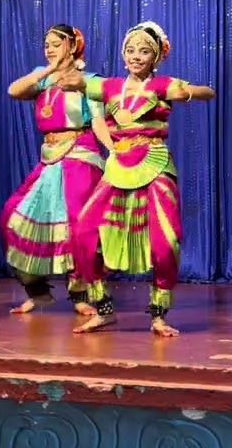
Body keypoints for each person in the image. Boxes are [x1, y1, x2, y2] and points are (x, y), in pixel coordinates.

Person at [58, 21, 215, 337]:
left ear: (156, 57)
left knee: (166, 240)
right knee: (84, 231)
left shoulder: (162, 86)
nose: (136, 56)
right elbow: (70, 81)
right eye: (130, 50)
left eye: (144, 51)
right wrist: (67, 71)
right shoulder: (110, 86)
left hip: (155, 164)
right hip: (118, 166)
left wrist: (188, 92)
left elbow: (208, 92)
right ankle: (102, 309)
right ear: (122, 54)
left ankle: (158, 314)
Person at [1, 25, 111, 315]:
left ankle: (81, 292)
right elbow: (14, 90)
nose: (48, 48)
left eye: (55, 44)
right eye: (45, 44)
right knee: (12, 214)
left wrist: (115, 151)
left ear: (72, 46)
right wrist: (46, 70)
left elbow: (98, 121)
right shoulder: (43, 79)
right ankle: (37, 291)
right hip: (49, 156)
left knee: (78, 221)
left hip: (80, 152)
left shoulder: (88, 80)